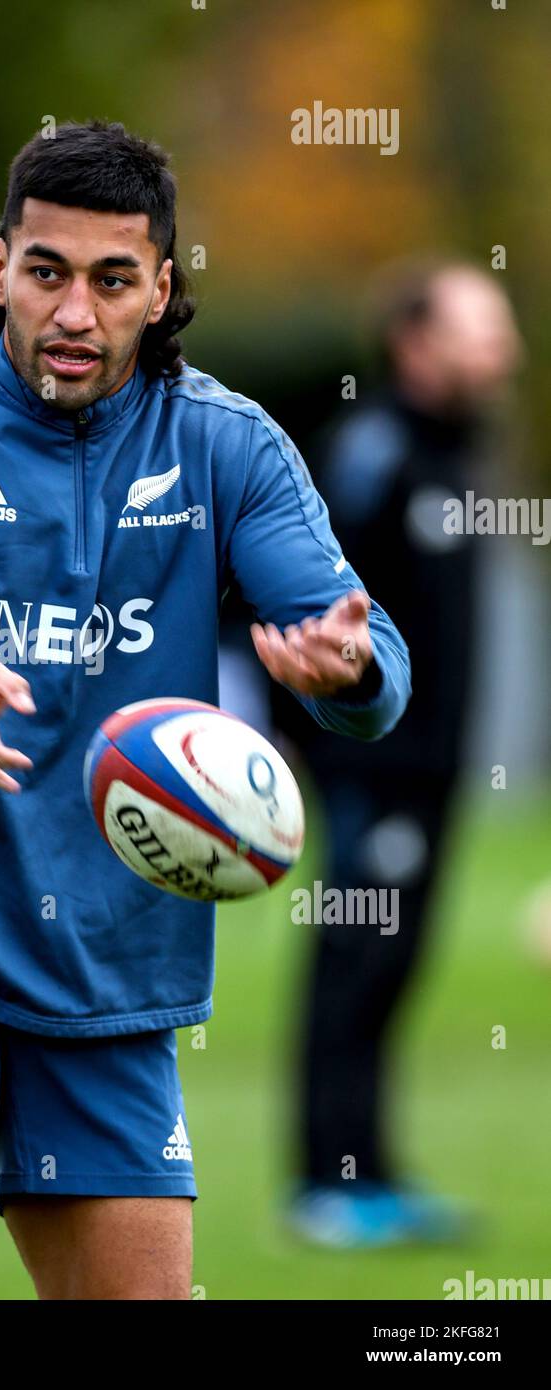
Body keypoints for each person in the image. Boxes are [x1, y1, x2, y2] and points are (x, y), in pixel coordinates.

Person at [0, 121, 410, 1300]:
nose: (75, 313)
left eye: (112, 280)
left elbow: (367, 650)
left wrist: (347, 671)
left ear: (160, 290)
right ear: (2, 264)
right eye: (48, 271)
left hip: (111, 965)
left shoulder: (227, 446)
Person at [286, 260, 523, 1247]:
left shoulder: (455, 453)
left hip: (432, 779)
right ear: (415, 343)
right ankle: (326, 1187)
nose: (502, 350)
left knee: (395, 970)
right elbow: (302, 609)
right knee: (353, 966)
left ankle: (372, 1174)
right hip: (368, 780)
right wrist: (325, 760)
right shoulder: (371, 455)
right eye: (481, 329)